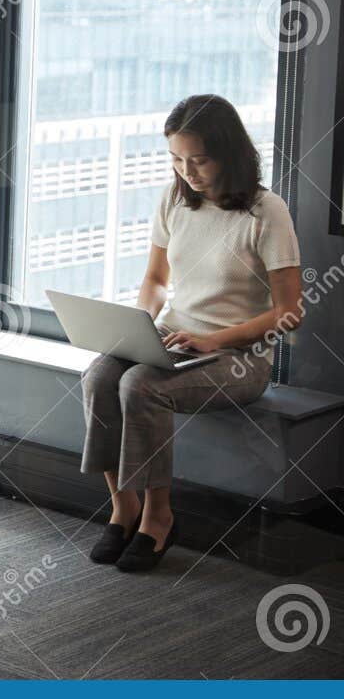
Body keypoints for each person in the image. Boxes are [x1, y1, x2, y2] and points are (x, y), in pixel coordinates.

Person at [79, 94, 302, 573]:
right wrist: (140, 326)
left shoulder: (267, 212)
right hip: (175, 337)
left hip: (239, 357)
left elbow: (290, 312)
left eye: (198, 160)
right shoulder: (174, 199)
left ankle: (159, 517)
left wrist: (216, 340)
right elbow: (157, 281)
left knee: (140, 386)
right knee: (99, 375)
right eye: (176, 160)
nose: (187, 171)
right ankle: (124, 506)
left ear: (229, 153)